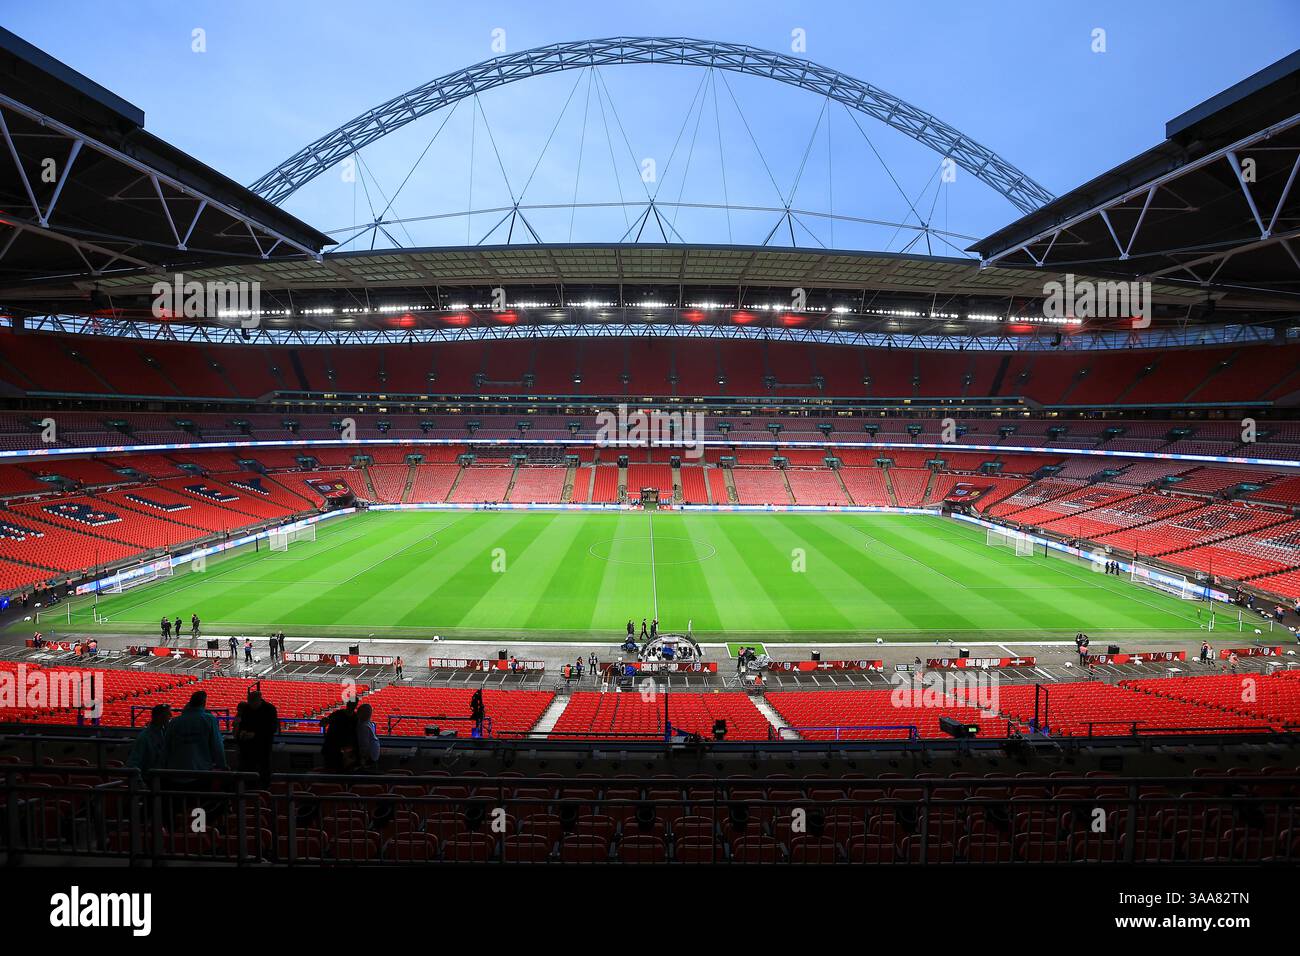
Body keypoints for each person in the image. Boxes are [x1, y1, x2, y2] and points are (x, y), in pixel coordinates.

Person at [163, 691, 227, 774]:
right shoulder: (210, 720)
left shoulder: (174, 722)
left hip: (176, 771)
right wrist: (223, 765)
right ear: (204, 703)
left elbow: (166, 747)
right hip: (201, 771)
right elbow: (217, 745)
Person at [235, 690, 279, 788]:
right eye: (249, 702)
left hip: (263, 746)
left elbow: (272, 728)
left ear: (259, 700)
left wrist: (255, 734)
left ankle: (264, 789)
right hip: (247, 747)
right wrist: (242, 732)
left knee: (264, 770)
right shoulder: (247, 709)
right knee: (248, 771)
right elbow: (243, 724)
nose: (251, 704)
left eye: (253, 702)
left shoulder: (269, 709)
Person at [126, 704, 171, 774]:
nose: (170, 716)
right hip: (148, 778)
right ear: (158, 717)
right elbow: (133, 762)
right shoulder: (144, 736)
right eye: (167, 714)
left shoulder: (164, 732)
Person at [321, 700, 359, 771]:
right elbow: (324, 723)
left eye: (353, 704)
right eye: (350, 703)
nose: (351, 706)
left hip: (347, 750)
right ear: (347, 704)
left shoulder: (356, 718)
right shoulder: (337, 714)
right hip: (332, 747)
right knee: (331, 769)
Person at [355, 703, 380, 769]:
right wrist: (364, 758)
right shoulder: (364, 726)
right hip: (368, 758)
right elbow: (364, 744)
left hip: (371, 758)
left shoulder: (367, 723)